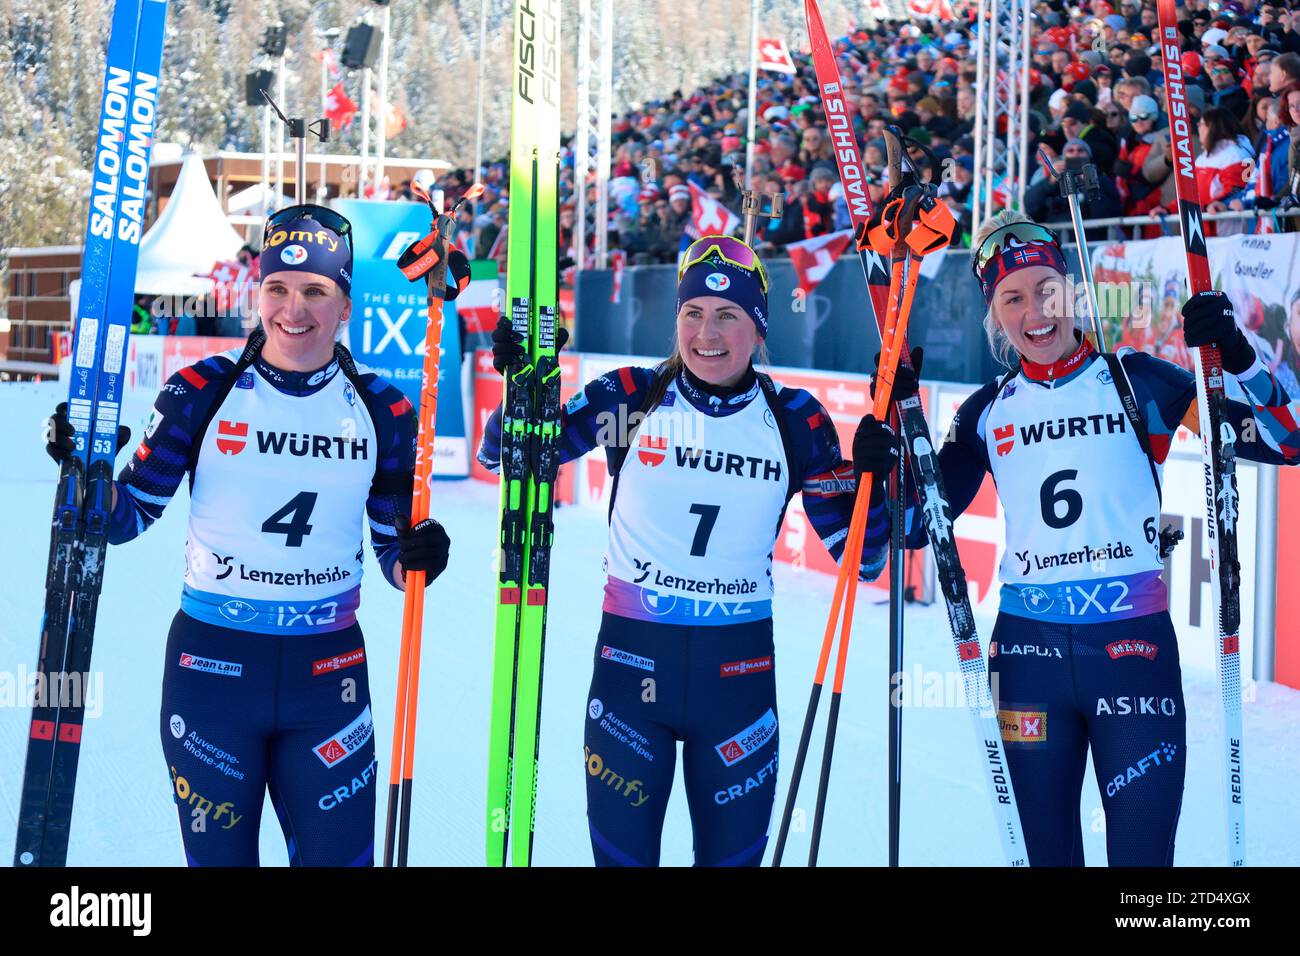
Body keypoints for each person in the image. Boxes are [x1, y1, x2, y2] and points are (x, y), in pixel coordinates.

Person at [853, 211, 1300, 866]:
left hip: (1132, 652)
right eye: (1013, 298)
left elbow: (1286, 440)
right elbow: (913, 529)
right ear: (995, 313)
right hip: (1026, 658)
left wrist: (1235, 355)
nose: (1035, 312)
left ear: (1070, 292)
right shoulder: (984, 412)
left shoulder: (1138, 380)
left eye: (1046, 291)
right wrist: (891, 443)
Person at [44, 205, 465, 866]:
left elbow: (390, 550)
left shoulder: (384, 407)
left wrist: (419, 554)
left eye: (316, 292)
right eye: (278, 289)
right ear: (257, 292)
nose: (293, 310)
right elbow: (128, 517)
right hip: (212, 674)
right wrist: (81, 477)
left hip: (328, 677)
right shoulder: (201, 393)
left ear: (345, 303)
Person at [478, 235, 889, 867]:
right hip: (630, 672)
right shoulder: (630, 397)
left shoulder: (795, 419)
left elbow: (863, 552)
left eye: (728, 315)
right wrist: (523, 383)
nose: (707, 332)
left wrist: (881, 474)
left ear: (758, 328)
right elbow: (513, 455)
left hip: (739, 685)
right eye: (693, 313)